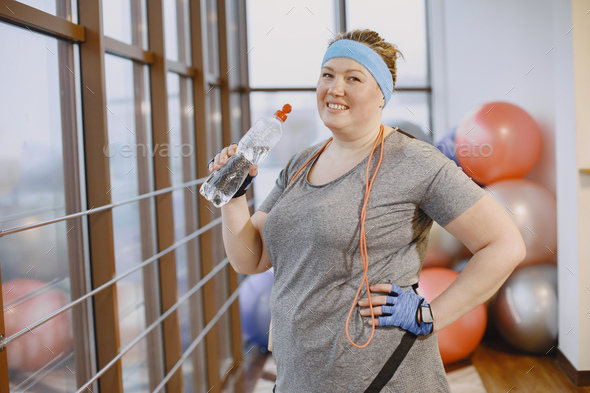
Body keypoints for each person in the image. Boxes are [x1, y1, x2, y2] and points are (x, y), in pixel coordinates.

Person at [209, 29, 525, 392]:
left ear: (382, 95)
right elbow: (251, 260)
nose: (335, 88)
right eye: (327, 75)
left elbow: (505, 244)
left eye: (353, 78)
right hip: (299, 376)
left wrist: (429, 315)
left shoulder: (414, 160)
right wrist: (233, 197)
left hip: (380, 376)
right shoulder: (299, 162)